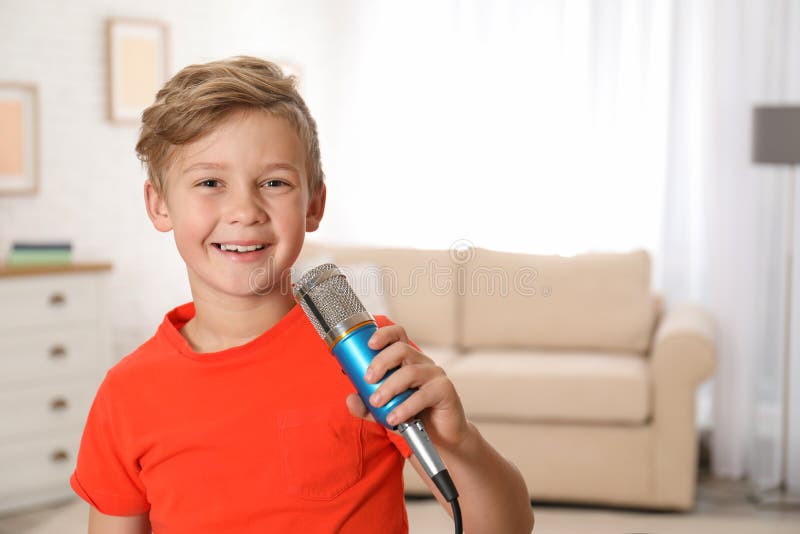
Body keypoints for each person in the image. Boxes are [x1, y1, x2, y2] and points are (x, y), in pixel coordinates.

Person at [71, 56, 534, 534]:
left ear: (314, 204)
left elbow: (509, 526)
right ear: (159, 204)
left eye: (274, 183)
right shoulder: (126, 394)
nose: (244, 211)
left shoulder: (373, 358)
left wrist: (460, 442)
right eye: (210, 183)